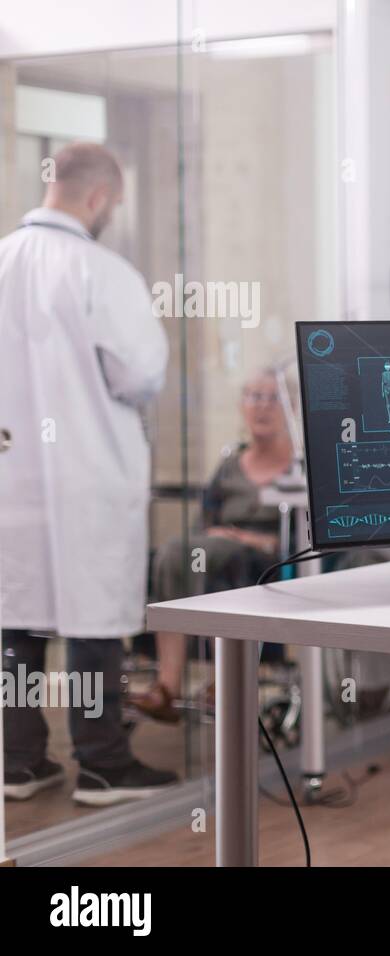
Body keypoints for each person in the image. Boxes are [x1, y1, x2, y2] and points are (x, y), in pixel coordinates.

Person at [0, 142, 177, 805]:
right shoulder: (102, 271)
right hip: (87, 474)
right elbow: (140, 375)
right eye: (117, 203)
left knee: (15, 617)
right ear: (98, 197)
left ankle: (19, 763)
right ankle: (104, 764)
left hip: (10, 475)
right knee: (94, 618)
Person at [130, 369, 294, 723]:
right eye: (253, 396)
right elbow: (202, 525)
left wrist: (254, 539)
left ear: (290, 406)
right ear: (242, 406)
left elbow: (311, 536)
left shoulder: (300, 465)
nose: (261, 406)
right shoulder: (230, 465)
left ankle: (223, 683)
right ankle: (168, 686)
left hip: (271, 562)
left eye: (272, 397)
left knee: (214, 556)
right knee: (173, 554)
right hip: (218, 551)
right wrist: (217, 538)